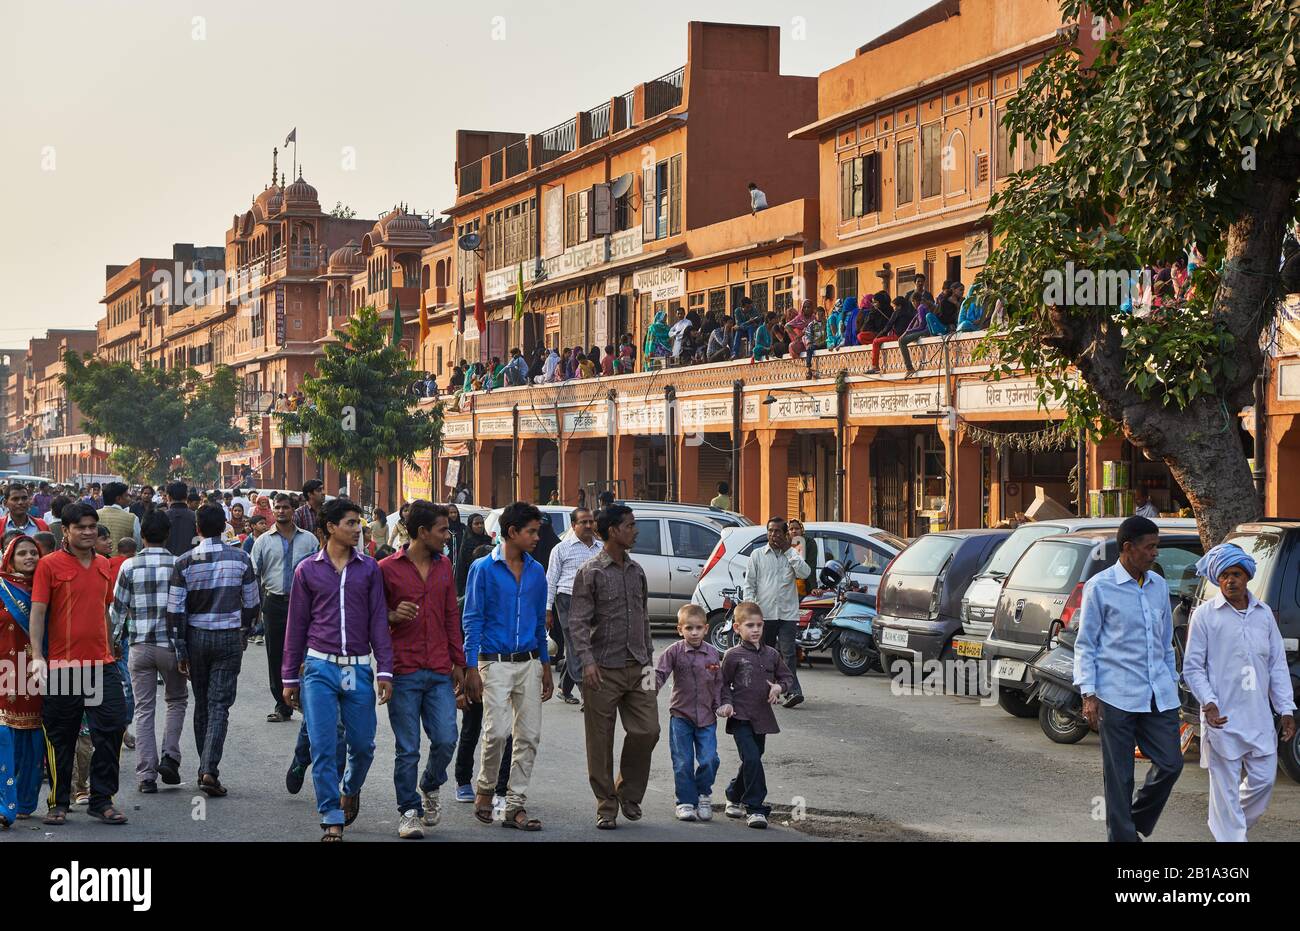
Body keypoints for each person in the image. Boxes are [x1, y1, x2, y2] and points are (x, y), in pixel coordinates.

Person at [282, 498, 395, 841]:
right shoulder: (307, 570)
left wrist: (385, 670)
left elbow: (379, 620)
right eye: (350, 523)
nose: (357, 529)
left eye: (358, 523)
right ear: (330, 527)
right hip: (319, 668)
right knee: (324, 744)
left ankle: (350, 787)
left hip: (358, 668)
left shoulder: (369, 569)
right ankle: (331, 815)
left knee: (362, 746)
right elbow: (296, 625)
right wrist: (289, 676)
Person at [1073, 516, 1183, 842]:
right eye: (1149, 547)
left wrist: (1171, 679)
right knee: (1119, 776)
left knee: (1171, 764)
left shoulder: (1158, 585)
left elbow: (1165, 643)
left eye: (1156, 547)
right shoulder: (1100, 587)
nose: (1154, 554)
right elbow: (1086, 644)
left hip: (1157, 693)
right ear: (1127, 548)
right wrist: (1088, 694)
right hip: (1115, 694)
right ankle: (1123, 838)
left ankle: (1132, 820)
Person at [1183, 544, 1296, 842]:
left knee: (1262, 782)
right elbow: (1192, 668)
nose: (1230, 580)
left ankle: (1227, 827)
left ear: (1247, 577)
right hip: (1222, 718)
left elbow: (1277, 665)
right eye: (1224, 576)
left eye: (1236, 574)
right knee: (1224, 789)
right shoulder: (1205, 615)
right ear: (1217, 580)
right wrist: (1208, 703)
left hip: (1258, 718)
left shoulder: (1263, 615)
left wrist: (1286, 709)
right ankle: (1230, 837)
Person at [29, 503, 129, 826]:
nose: (88, 532)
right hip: (63, 667)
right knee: (62, 736)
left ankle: (102, 799)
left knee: (112, 727)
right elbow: (39, 613)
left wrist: (111, 644)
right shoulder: (49, 566)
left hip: (102, 664)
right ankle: (58, 802)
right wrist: (36, 657)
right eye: (81, 527)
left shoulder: (103, 565)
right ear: (66, 531)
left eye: (91, 527)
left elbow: (103, 609)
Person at [461, 501, 553, 831]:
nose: (536, 538)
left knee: (528, 737)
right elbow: (472, 619)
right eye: (531, 532)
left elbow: (538, 621)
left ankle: (514, 804)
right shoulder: (483, 569)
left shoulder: (537, 571)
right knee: (496, 732)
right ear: (512, 532)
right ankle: (485, 790)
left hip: (528, 662)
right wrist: (470, 666)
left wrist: (545, 665)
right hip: (492, 662)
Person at [567, 504, 660, 829]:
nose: (635, 531)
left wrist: (650, 664)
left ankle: (628, 793)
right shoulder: (590, 572)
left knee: (648, 730)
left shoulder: (637, 572)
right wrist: (587, 663)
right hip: (602, 669)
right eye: (630, 525)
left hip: (639, 666)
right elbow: (577, 623)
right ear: (613, 531)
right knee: (600, 739)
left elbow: (645, 620)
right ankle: (607, 805)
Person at [379, 501, 466, 840]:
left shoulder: (444, 566)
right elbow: (372, 619)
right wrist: (389, 615)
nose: (447, 535)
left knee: (446, 738)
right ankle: (409, 811)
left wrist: (460, 663)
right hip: (403, 669)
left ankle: (430, 784)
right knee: (408, 748)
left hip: (440, 669)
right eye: (442, 530)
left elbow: (450, 617)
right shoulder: (386, 568)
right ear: (422, 533)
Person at [166, 504, 260, 798]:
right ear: (224, 527)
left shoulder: (183, 562)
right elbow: (253, 603)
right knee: (220, 705)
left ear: (197, 528)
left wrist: (180, 649)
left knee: (203, 703)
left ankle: (204, 768)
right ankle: (209, 769)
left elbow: (175, 611)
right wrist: (244, 632)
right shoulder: (241, 558)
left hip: (196, 638)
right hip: (229, 637)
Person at [111, 510, 186, 794]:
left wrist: (114, 641)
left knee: (144, 709)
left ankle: (146, 775)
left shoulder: (129, 566)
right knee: (176, 700)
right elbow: (184, 609)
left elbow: (117, 610)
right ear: (167, 535)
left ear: (142, 536)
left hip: (140, 646)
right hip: (171, 647)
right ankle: (170, 757)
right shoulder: (178, 564)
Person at [718, 601, 794, 829]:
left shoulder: (772, 654)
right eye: (749, 625)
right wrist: (727, 704)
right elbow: (722, 685)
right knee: (751, 759)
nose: (756, 630)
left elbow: (787, 678)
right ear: (737, 628)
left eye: (759, 625)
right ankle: (756, 808)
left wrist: (779, 688)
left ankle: (733, 794)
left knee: (753, 760)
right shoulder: (732, 655)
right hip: (740, 717)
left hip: (762, 718)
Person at [251, 494, 319, 723]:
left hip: (304, 605)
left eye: (285, 507)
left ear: (293, 510)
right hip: (274, 603)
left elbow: (318, 573)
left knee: (307, 652)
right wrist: (255, 609)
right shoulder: (262, 541)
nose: (281, 511)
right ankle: (282, 705)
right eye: (277, 507)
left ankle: (306, 700)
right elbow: (254, 574)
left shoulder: (309, 540)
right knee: (276, 654)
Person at [655, 604, 723, 822]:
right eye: (689, 628)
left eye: (698, 628)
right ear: (679, 629)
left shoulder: (713, 653)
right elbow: (659, 675)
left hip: (707, 717)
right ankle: (685, 801)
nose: (694, 633)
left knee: (709, 759)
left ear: (706, 628)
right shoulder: (673, 652)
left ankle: (703, 795)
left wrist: (722, 704)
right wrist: (645, 694)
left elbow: (719, 684)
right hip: (681, 716)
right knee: (683, 761)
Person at [743, 517, 810, 709]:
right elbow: (750, 584)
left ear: (785, 534)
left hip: (787, 614)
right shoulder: (757, 555)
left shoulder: (793, 554)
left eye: (778, 532)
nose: (774, 535)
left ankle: (793, 692)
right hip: (764, 614)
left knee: (788, 654)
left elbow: (805, 573)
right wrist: (751, 610)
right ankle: (765, 690)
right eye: (770, 531)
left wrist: (789, 550)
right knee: (765, 654)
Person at [0, 535, 43, 827]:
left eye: (33, 553)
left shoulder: (46, 588)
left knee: (32, 737)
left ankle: (26, 801)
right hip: (4, 672)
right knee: (5, 736)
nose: (29, 558)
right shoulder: (1, 587)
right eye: (22, 554)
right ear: (9, 559)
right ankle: (5, 804)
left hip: (37, 673)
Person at [545, 507, 602, 705]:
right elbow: (550, 580)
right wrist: (548, 609)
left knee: (584, 645)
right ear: (573, 525)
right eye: (583, 522)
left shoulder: (601, 549)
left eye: (590, 522)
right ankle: (586, 691)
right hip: (567, 600)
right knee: (577, 644)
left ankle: (564, 686)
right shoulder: (561, 549)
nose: (588, 526)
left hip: (593, 602)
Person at [456, 513, 492, 598]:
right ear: (470, 525)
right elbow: (462, 567)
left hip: (488, 582)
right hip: (471, 583)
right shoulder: (467, 543)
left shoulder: (488, 541)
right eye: (476, 524)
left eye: (482, 523)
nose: (480, 526)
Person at [164, 481, 198, 557]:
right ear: (186, 496)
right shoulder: (196, 517)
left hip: (167, 562)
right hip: (190, 562)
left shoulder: (162, 516)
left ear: (168, 497)